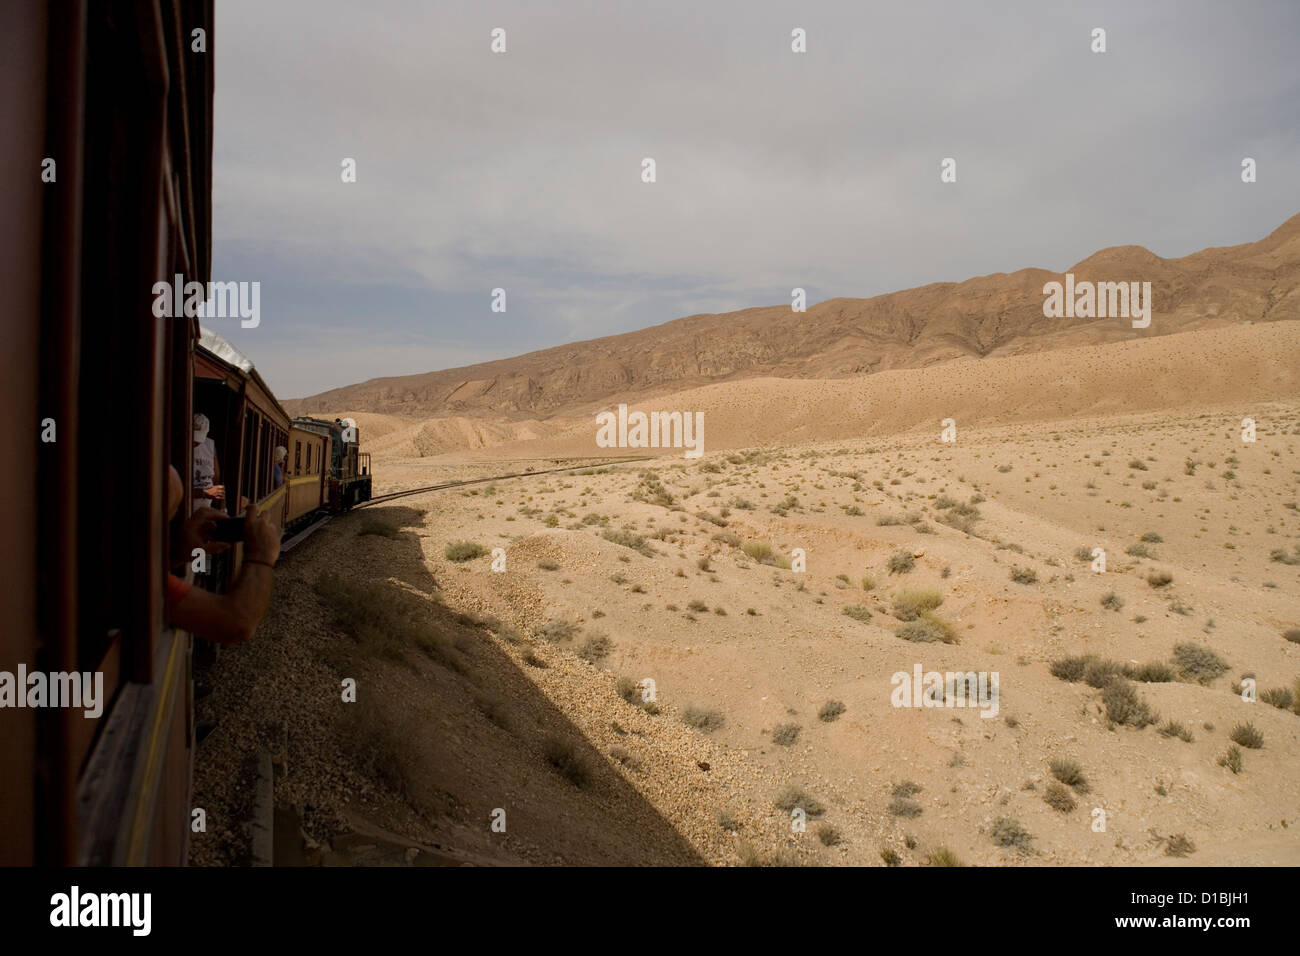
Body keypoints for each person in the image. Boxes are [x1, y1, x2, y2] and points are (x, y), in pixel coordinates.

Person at [165, 465, 279, 645]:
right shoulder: (142, 581)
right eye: (166, 523)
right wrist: (262, 554)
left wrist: (175, 553)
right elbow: (237, 624)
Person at [192, 413, 224, 508]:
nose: (195, 443)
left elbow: (216, 474)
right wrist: (204, 492)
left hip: (206, 505)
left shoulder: (209, 445)